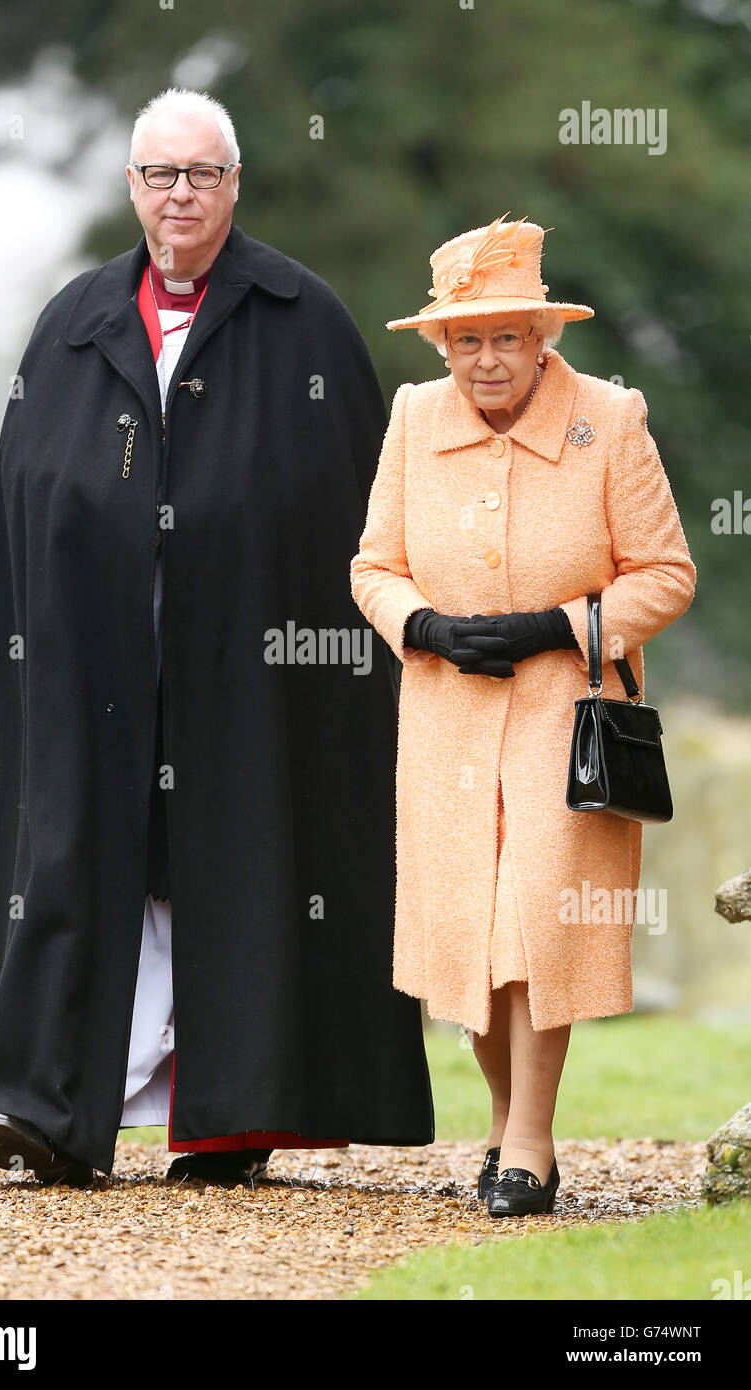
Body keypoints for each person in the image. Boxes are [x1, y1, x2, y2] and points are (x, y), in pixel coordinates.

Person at [0, 87, 433, 1188]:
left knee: (245, 855)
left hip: (251, 667)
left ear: (234, 183)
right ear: (132, 187)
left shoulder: (299, 314)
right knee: (82, 851)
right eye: (160, 175)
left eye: (202, 174)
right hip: (99, 663)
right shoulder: (74, 322)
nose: (180, 195)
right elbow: (32, 498)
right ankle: (47, 1109)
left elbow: (352, 513)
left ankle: (234, 1114)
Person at [350, 213, 695, 1216]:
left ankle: (529, 1142)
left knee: (531, 924)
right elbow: (372, 566)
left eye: (505, 335)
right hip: (447, 715)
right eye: (466, 339)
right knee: (469, 933)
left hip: (567, 715)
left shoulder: (608, 419)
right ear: (440, 344)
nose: (485, 357)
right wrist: (423, 626)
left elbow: (665, 574)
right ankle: (504, 1122)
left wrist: (559, 624)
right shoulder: (413, 418)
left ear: (542, 336)